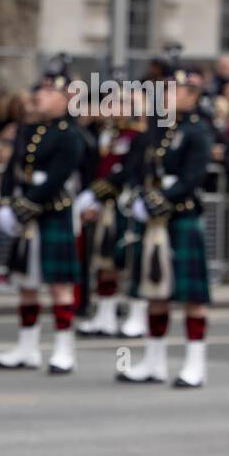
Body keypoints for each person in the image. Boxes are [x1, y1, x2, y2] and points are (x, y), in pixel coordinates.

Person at [118, 63, 212, 387]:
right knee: (155, 293)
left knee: (192, 298)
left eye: (174, 91)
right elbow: (141, 166)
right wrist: (135, 195)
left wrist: (157, 199)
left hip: (182, 217)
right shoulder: (157, 127)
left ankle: (195, 364)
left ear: (192, 95)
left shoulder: (198, 130)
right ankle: (154, 362)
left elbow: (192, 177)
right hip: (156, 221)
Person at [0, 57, 86, 374]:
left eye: (48, 93)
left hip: (52, 214)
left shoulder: (70, 135)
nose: (39, 97)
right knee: (26, 284)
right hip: (27, 215)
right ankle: (27, 347)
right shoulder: (28, 130)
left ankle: (64, 349)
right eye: (40, 91)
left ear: (64, 99)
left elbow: (58, 178)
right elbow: (12, 170)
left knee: (59, 285)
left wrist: (21, 207)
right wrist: (6, 201)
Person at [77, 84, 147, 337]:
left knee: (130, 260)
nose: (113, 109)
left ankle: (137, 315)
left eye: (121, 104)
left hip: (128, 206)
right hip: (106, 206)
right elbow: (100, 169)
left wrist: (95, 193)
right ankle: (105, 315)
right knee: (105, 261)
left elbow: (128, 172)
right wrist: (94, 199)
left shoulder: (139, 136)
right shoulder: (109, 135)